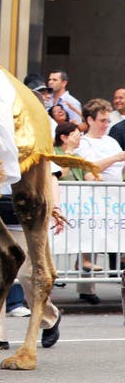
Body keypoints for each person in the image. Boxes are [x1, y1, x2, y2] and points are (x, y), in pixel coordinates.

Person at [0, 188, 65, 350]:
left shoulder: (35, 161)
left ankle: (49, 317)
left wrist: (55, 207)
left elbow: (50, 176)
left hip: (26, 221)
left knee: (26, 276)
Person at [74, 98, 125, 304]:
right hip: (92, 198)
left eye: (107, 121)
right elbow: (89, 168)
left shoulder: (111, 141)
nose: (105, 125)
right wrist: (114, 159)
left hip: (114, 194)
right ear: (90, 120)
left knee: (117, 235)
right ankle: (86, 288)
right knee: (90, 236)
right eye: (102, 121)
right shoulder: (83, 143)